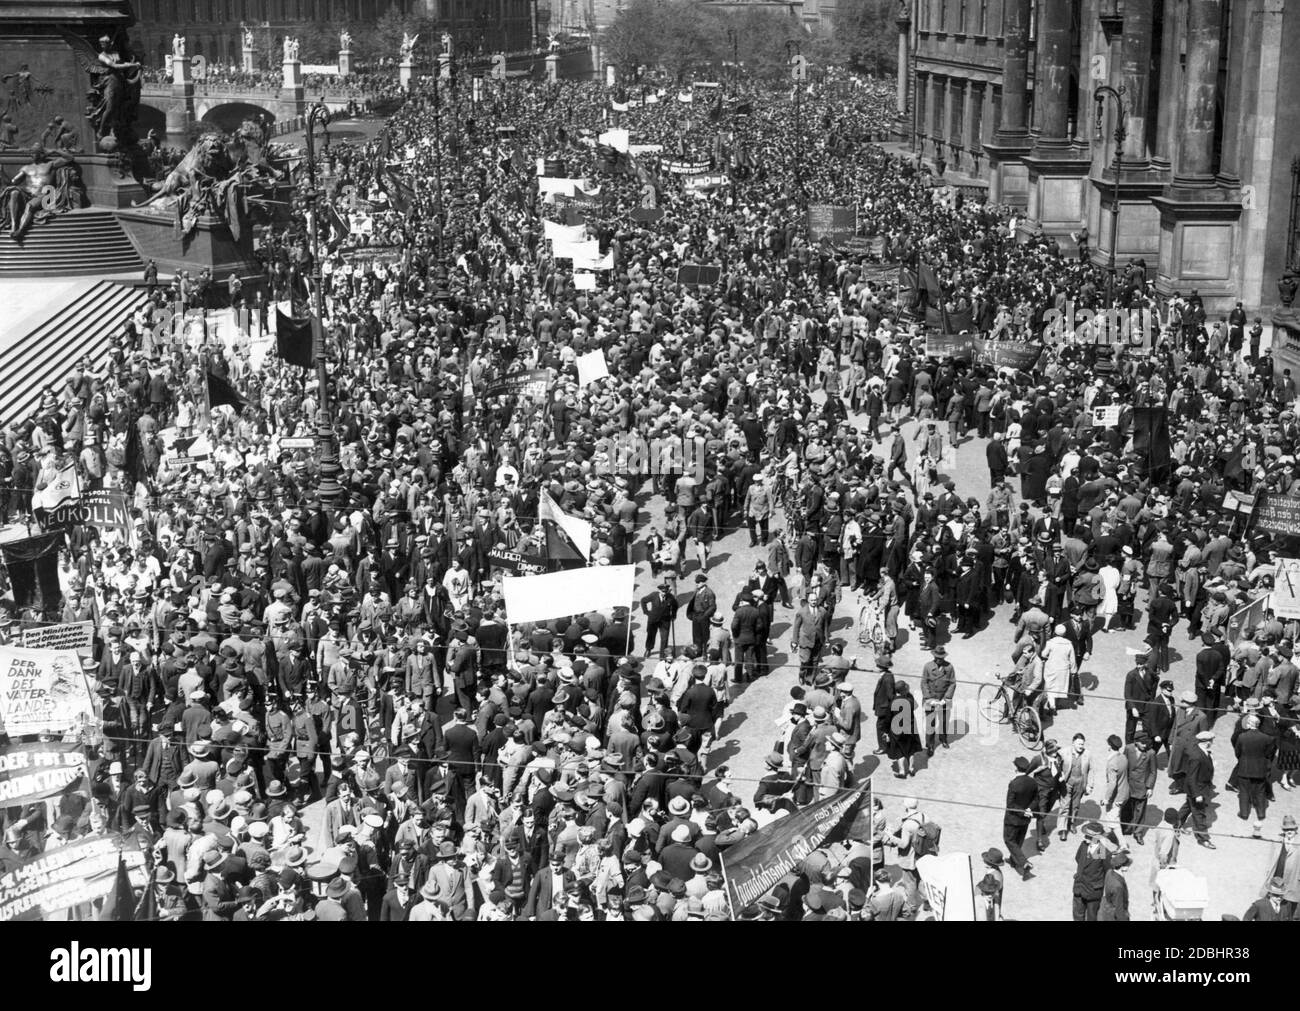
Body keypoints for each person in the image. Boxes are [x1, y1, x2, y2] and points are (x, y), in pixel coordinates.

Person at [1177, 730, 1217, 848]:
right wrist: (1197, 794)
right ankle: (1203, 839)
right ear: (1206, 742)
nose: (1212, 742)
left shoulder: (1202, 751)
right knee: (1199, 814)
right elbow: (1191, 777)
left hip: (1201, 787)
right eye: (1211, 741)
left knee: (1187, 807)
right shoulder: (1196, 756)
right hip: (1197, 789)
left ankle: (1176, 825)